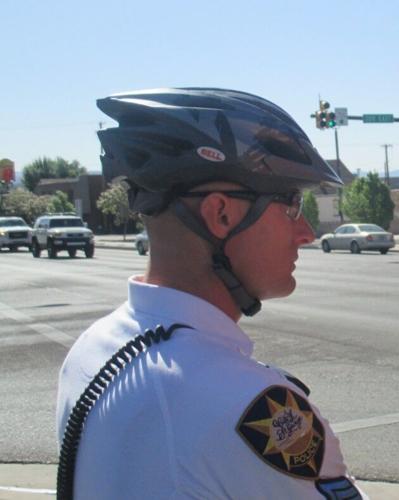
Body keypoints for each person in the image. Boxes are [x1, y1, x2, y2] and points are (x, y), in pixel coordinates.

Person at [55, 88, 366, 499]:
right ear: (221, 214)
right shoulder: (248, 406)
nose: (306, 232)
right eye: (291, 204)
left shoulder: (91, 347)